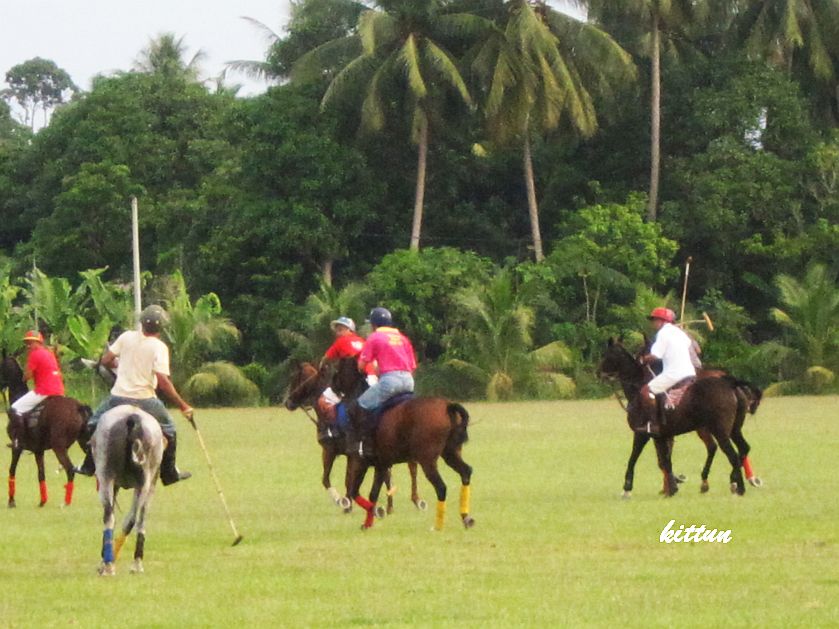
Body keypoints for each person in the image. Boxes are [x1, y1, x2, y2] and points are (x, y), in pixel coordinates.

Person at [74, 305, 192, 485]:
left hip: (118, 397)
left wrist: (119, 364)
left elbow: (105, 360)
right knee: (170, 430)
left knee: (92, 424)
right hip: (146, 400)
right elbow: (163, 381)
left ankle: (89, 465)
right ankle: (169, 473)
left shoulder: (126, 337)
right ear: (161, 328)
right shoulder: (159, 347)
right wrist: (183, 405)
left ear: (142, 322)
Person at [351, 307, 417, 458]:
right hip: (408, 381)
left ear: (374, 324)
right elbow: (412, 366)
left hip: (389, 381)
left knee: (360, 406)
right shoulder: (403, 338)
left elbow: (361, 365)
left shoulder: (374, 337)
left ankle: (364, 444)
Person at [638, 307, 697, 434]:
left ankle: (654, 425)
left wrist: (643, 359)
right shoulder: (681, 333)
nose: (653, 323)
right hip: (690, 372)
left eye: (654, 320)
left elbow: (656, 355)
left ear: (662, 321)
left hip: (674, 373)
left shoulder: (663, 333)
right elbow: (688, 344)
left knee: (645, 391)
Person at [7, 330, 65, 448]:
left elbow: (27, 376)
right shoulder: (49, 352)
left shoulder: (34, 354)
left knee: (14, 409)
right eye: (27, 343)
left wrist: (23, 376)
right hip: (59, 390)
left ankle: (19, 440)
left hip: (44, 390)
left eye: (30, 343)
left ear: (38, 342)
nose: (28, 346)